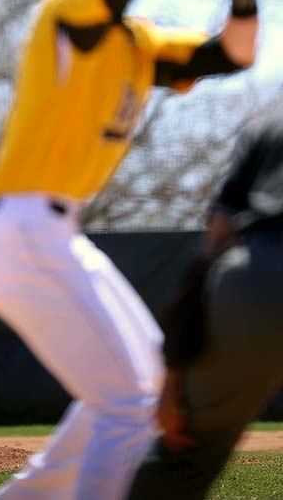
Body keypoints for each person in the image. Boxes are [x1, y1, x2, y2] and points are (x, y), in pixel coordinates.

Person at [0, 0, 258, 497]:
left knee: (138, 389)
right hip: (19, 229)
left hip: (47, 231)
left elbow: (236, 54)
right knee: (131, 402)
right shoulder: (68, 8)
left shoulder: (140, 44)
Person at [128, 117, 283, 499]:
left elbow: (216, 238)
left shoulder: (269, 128)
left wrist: (173, 371)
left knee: (187, 452)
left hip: (256, 280)